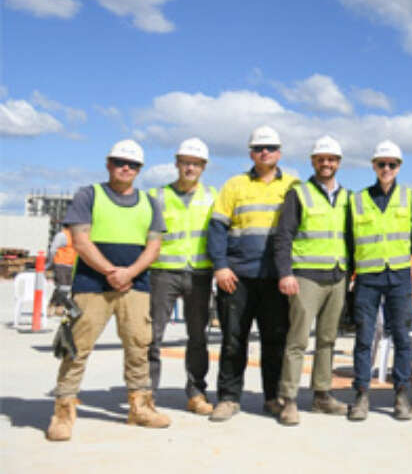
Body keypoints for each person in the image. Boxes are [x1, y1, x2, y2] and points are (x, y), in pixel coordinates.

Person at [46, 139, 170, 441]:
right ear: (108, 163)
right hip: (92, 285)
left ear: (140, 169)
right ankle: (63, 412)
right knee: (77, 347)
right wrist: (110, 272)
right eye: (120, 162)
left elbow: (154, 246)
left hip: (136, 285)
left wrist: (129, 272)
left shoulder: (149, 203)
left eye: (133, 165)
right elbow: (80, 239)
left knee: (139, 346)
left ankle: (140, 407)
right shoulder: (89, 195)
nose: (126, 168)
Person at [207, 126, 300, 422]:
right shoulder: (234, 185)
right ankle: (229, 398)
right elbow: (217, 227)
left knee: (276, 340)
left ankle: (273, 398)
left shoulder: (293, 186)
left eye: (270, 148)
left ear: (279, 152)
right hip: (238, 277)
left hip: (276, 278)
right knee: (234, 340)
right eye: (259, 148)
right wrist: (220, 266)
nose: (265, 152)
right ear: (250, 153)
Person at [273, 135, 353, 425]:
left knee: (328, 339)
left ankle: (322, 395)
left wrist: (350, 273)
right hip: (306, 276)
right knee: (297, 340)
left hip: (337, 275)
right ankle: (289, 399)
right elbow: (284, 236)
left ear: (339, 163)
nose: (326, 163)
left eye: (331, 159)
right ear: (313, 161)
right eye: (321, 158)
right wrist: (286, 273)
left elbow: (350, 238)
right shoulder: (299, 194)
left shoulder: (347, 197)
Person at [146, 138, 218, 416]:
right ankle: (147, 393)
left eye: (196, 163)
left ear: (203, 166)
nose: (190, 167)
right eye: (186, 162)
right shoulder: (157, 196)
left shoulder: (212, 196)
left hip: (199, 273)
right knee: (152, 335)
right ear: (176, 163)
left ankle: (196, 392)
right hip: (164, 272)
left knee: (198, 336)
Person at [348, 140, 412, 421]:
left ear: (399, 167)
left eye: (392, 164)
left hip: (399, 275)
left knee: (402, 336)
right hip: (367, 276)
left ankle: (401, 394)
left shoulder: (409, 197)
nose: (386, 168)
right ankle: (362, 394)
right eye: (381, 164)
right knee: (365, 337)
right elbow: (350, 237)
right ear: (374, 166)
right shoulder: (358, 200)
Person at [48, 228, 76, 306]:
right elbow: (53, 250)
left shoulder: (77, 235)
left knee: (67, 288)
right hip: (61, 264)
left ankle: (56, 306)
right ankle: (55, 306)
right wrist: (50, 263)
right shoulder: (62, 235)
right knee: (63, 287)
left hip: (71, 265)